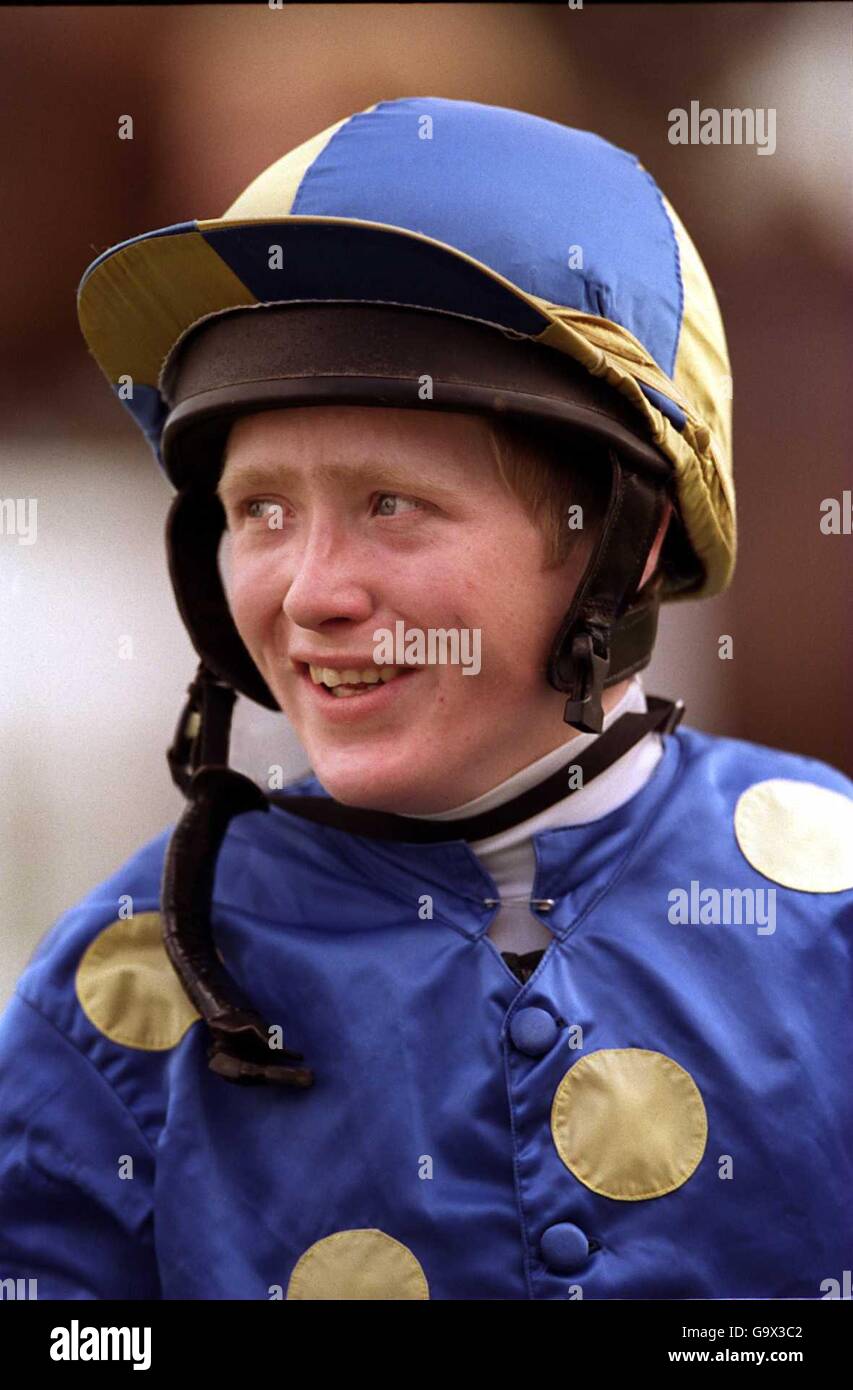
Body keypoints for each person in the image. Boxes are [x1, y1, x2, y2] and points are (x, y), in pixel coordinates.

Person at [1, 96, 850, 1301]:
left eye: (390, 503)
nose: (310, 591)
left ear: (629, 539)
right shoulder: (117, 993)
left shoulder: (835, 920)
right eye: (261, 511)